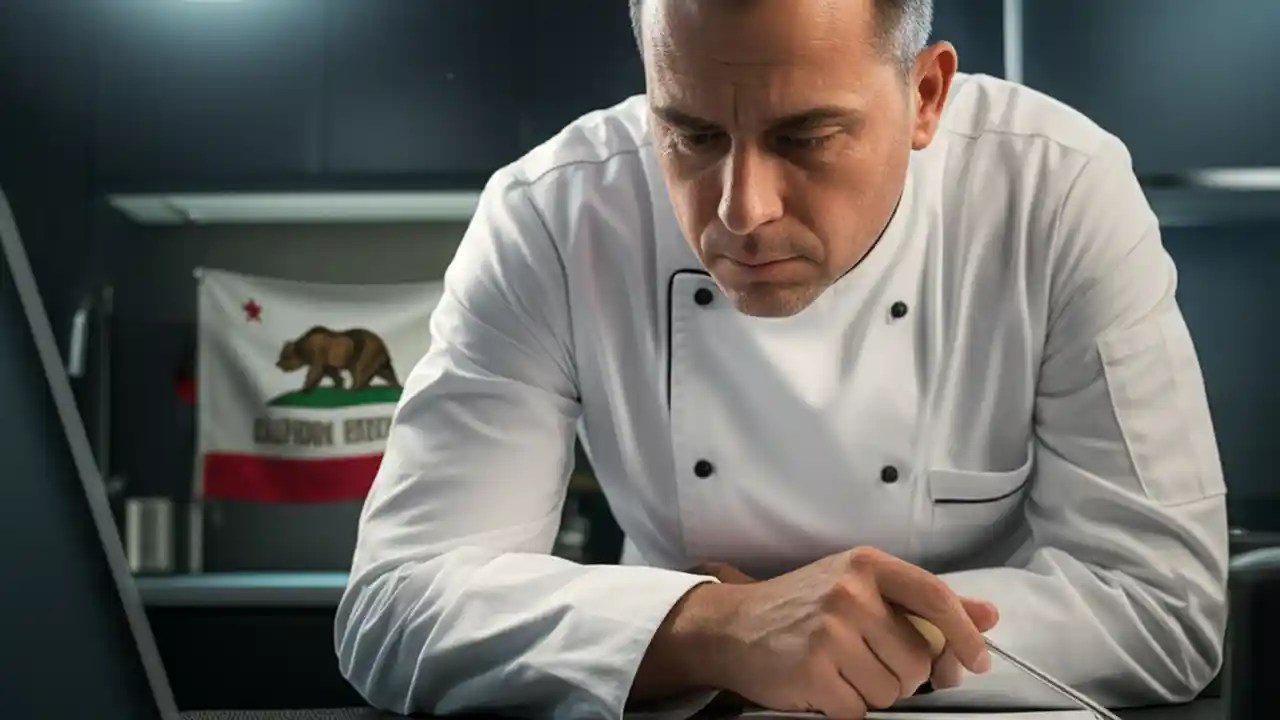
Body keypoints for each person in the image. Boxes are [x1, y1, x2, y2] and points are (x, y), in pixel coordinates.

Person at [334, 0, 1228, 717]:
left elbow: (1166, 606)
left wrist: (843, 641)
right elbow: (396, 605)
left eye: (806, 137)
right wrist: (711, 629)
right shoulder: (551, 217)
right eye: (690, 134)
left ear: (925, 96)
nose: (741, 210)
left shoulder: (1056, 190)